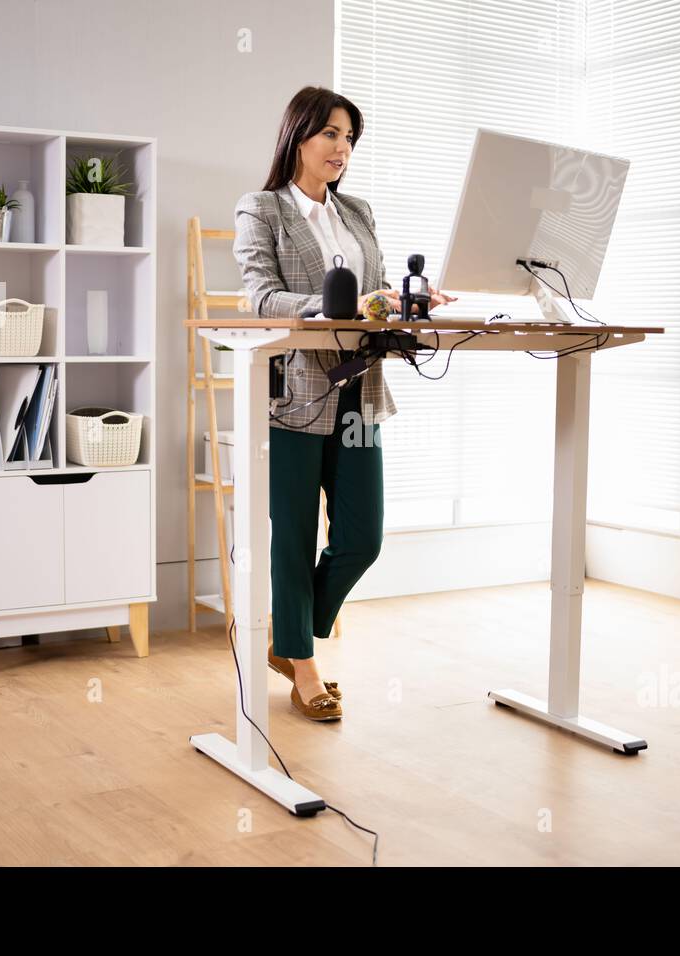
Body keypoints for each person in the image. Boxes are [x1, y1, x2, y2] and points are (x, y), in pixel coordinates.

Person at [231, 86, 454, 721]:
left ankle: (289, 632)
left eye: (350, 138)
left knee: (362, 537)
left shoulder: (358, 212)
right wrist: (331, 305)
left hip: (361, 390)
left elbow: (373, 292)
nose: (342, 148)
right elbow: (261, 296)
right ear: (298, 135)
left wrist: (407, 300)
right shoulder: (262, 210)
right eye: (330, 134)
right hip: (296, 395)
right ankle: (302, 666)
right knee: (295, 536)